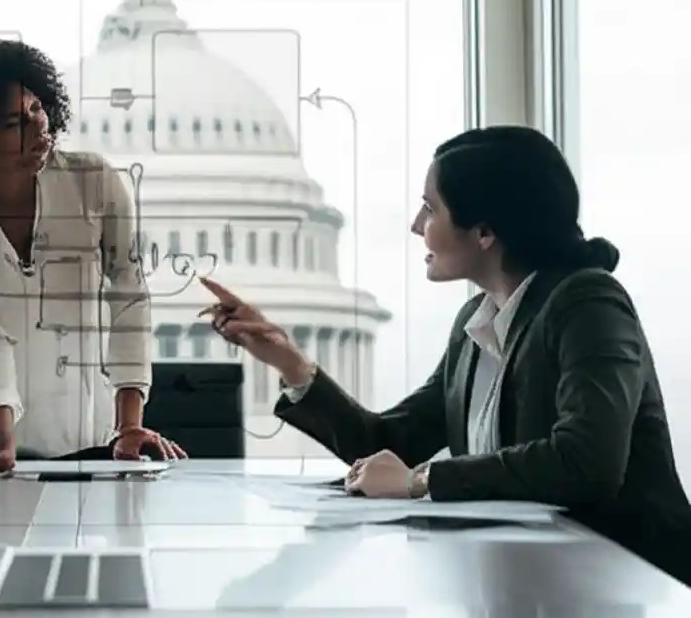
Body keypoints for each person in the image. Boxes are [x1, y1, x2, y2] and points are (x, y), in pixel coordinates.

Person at [199, 125, 691, 585]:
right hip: (533, 578)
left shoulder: (587, 302)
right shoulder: (476, 321)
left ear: (484, 231)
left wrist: (419, 480)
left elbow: (587, 461)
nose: (417, 226)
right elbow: (387, 442)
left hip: (626, 580)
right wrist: (288, 361)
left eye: (430, 209)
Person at [0, 39, 186, 477]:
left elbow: (129, 299)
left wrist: (129, 425)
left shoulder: (94, 181)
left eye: (36, 109)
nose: (38, 129)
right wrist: (3, 444)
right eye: (14, 123)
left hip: (89, 436)